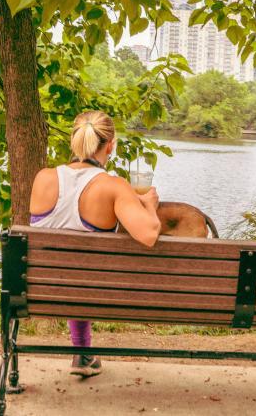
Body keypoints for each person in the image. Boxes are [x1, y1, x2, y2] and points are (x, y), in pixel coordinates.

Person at [29, 110, 161, 378]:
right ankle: (82, 353)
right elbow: (149, 235)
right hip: (91, 292)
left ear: (74, 140)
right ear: (110, 145)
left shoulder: (43, 177)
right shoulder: (113, 186)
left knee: (71, 270)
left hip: (38, 291)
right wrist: (150, 206)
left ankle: (84, 352)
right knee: (81, 273)